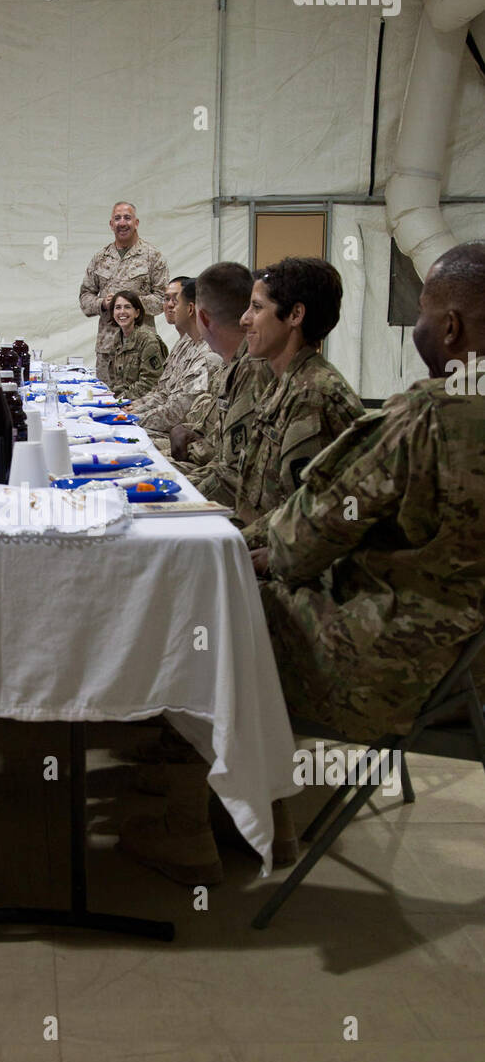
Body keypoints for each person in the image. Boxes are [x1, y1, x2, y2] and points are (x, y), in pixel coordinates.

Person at [257, 240, 485, 743]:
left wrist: (256, 551)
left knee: (227, 605)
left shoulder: (427, 417)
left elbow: (297, 546)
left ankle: (229, 810)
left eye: (422, 312)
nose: (418, 327)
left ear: (450, 327)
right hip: (466, 664)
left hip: (391, 663)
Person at [234, 258, 363, 547]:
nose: (244, 320)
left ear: (295, 315)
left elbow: (312, 512)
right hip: (262, 544)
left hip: (293, 569)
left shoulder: (314, 395)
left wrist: (232, 546)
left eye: (256, 308)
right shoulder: (283, 383)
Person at [165, 264, 273, 485]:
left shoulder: (254, 370)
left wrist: (173, 489)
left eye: (258, 308)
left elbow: (232, 476)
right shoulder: (232, 364)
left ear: (201, 317)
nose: (247, 319)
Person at [79, 201, 168, 385]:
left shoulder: (153, 256)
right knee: (106, 401)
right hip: (107, 348)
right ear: (111, 224)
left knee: (140, 401)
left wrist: (130, 305)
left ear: (136, 223)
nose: (122, 222)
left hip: (142, 347)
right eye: (117, 218)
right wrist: (103, 303)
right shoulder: (100, 258)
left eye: (127, 218)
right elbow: (85, 298)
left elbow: (163, 299)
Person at [129, 276, 222, 437]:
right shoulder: (185, 342)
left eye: (176, 301)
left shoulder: (209, 354)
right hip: (164, 424)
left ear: (191, 308)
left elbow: (179, 412)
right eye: (166, 299)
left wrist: (130, 418)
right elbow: (163, 391)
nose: (169, 306)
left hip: (179, 434)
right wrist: (133, 409)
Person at [107, 290, 167, 399]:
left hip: (142, 404)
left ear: (137, 313)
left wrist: (120, 399)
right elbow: (115, 381)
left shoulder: (148, 341)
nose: (122, 312)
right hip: (123, 400)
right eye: (118, 307)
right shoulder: (117, 339)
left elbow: (151, 383)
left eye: (127, 307)